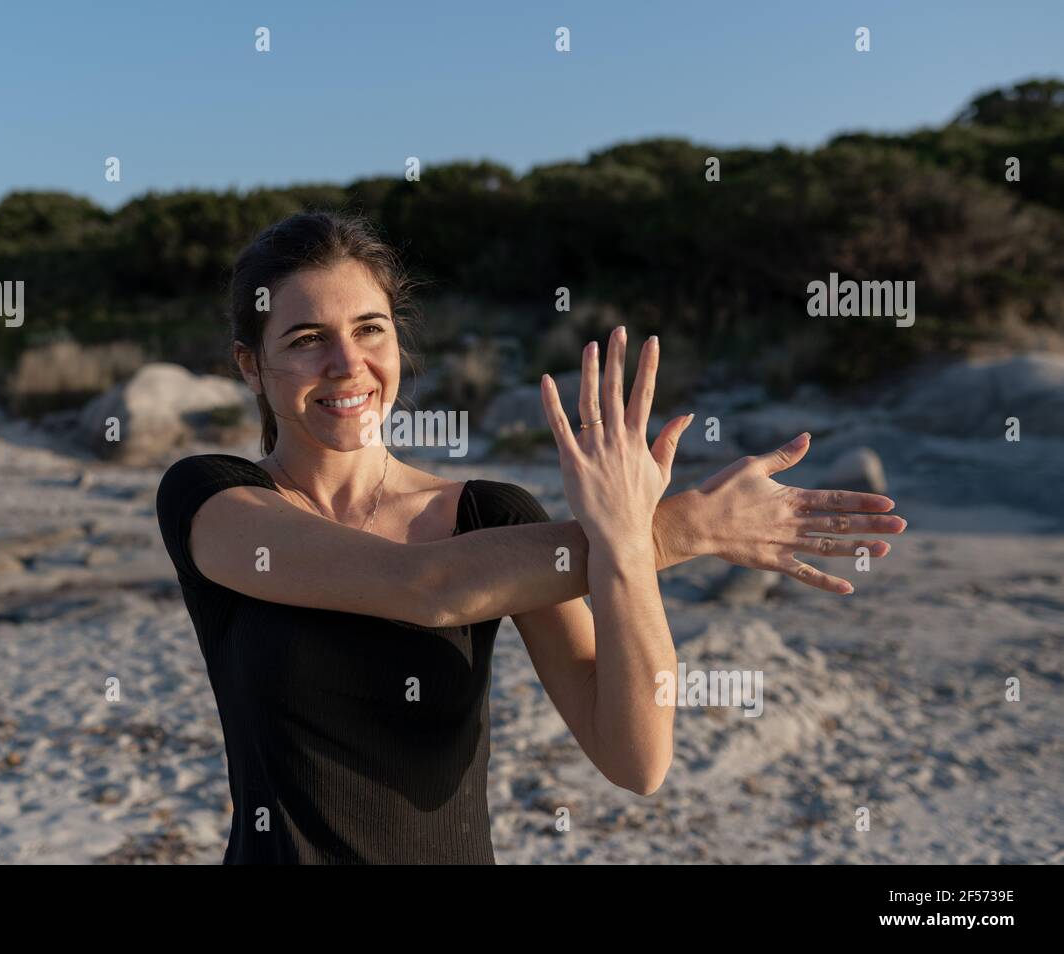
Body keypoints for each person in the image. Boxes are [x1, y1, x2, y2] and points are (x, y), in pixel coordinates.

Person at [155, 211, 906, 863]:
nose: (348, 364)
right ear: (251, 367)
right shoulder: (212, 499)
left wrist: (628, 540)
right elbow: (424, 587)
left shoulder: (493, 518)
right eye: (307, 338)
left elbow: (636, 759)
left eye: (369, 329)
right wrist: (683, 528)